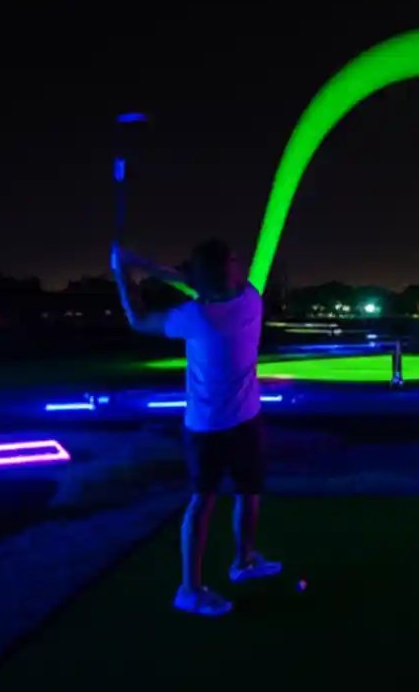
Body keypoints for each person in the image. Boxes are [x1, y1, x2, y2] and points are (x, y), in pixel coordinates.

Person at [111, 238, 281, 617]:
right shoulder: (245, 299)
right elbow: (190, 284)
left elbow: (139, 319)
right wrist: (134, 267)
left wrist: (125, 271)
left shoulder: (202, 312)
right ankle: (189, 590)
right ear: (226, 270)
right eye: (234, 259)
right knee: (203, 502)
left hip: (245, 417)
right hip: (208, 427)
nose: (240, 263)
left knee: (250, 492)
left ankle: (244, 562)